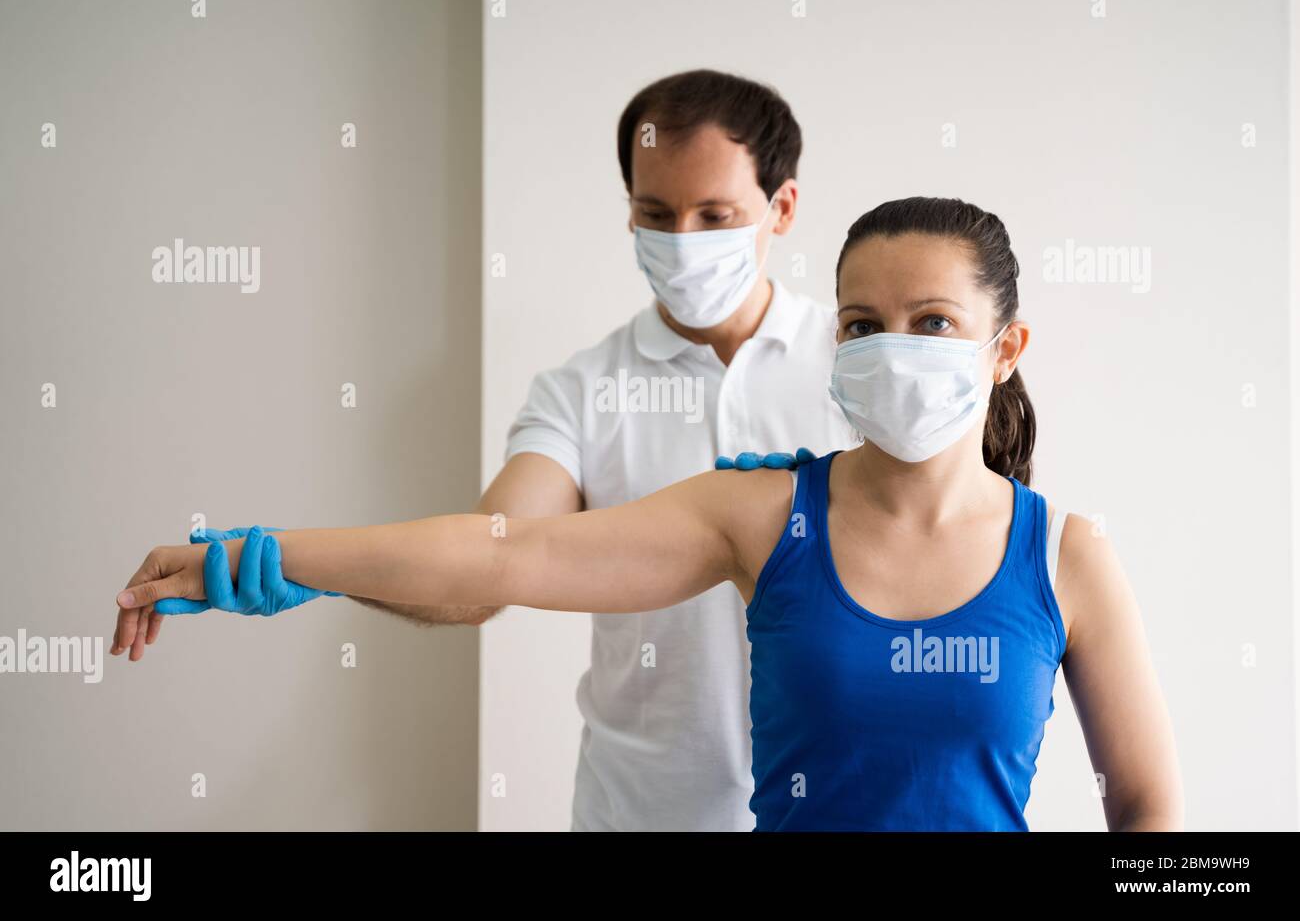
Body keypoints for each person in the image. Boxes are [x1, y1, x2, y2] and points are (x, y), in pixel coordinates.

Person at [113, 196, 1184, 831]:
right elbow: (507, 551)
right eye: (861, 323)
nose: (889, 347)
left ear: (1005, 349)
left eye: (932, 321)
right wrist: (275, 556)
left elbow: (1149, 810)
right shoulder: (760, 513)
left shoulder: (1067, 554)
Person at [114, 69, 858, 832]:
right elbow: (488, 566)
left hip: (840, 807)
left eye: (715, 215)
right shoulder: (580, 389)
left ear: (783, 208)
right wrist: (290, 559)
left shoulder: (860, 370)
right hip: (636, 814)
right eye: (656, 213)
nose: (683, 241)